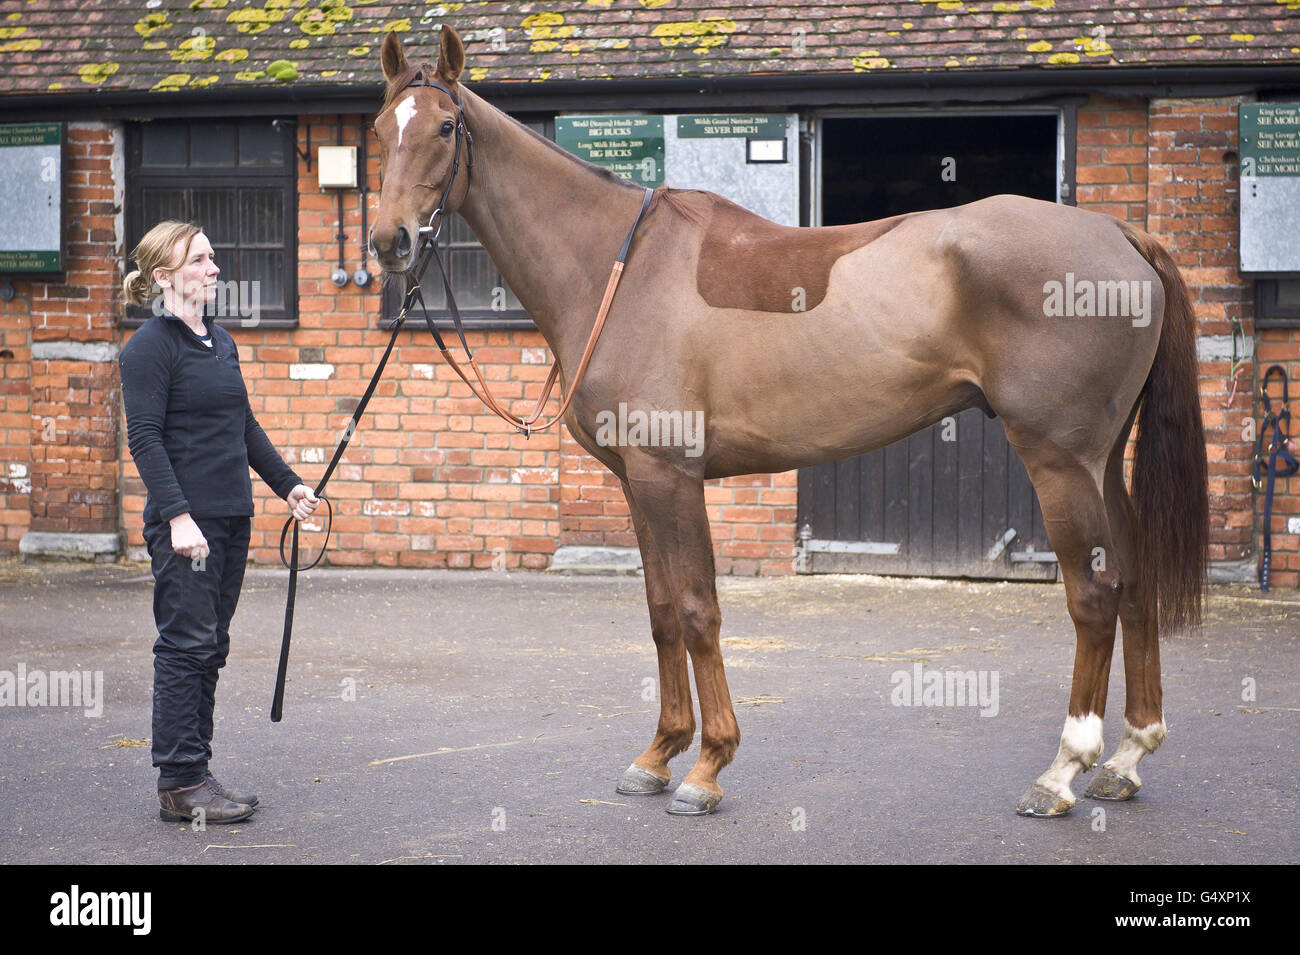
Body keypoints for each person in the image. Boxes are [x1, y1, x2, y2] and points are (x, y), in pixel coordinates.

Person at [119, 220, 318, 823]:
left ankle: (196, 773)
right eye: (200, 260)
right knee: (185, 645)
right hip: (188, 527)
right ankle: (179, 783)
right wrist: (178, 517)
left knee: (211, 646)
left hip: (231, 519)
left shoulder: (219, 341)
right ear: (163, 277)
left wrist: (289, 487)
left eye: (213, 258)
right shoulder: (150, 347)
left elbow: (245, 426)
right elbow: (145, 438)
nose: (214, 269)